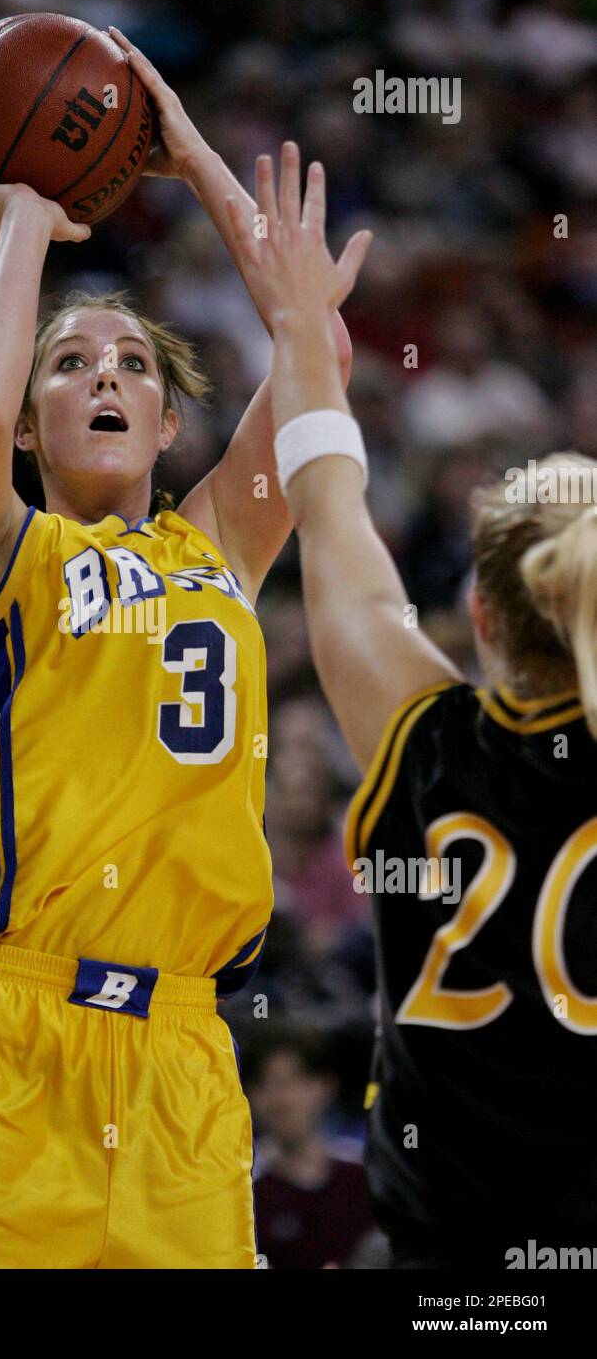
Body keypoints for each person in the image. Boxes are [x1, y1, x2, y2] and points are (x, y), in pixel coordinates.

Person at [0, 32, 352, 1271]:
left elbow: (313, 347)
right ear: (29, 424)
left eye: (128, 366)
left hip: (183, 1042)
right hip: (1, 1024)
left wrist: (191, 158)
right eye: (68, 365)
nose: (101, 375)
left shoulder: (217, 542)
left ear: (172, 425)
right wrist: (26, 217)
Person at [225, 139, 597, 1268]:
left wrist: (298, 328)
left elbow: (330, 506)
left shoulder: (420, 737)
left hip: (440, 1260)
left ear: (478, 618)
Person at [246, 1023, 376, 1270]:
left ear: (326, 1086)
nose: (283, 1100)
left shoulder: (367, 1176)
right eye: (267, 1084)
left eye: (294, 1080)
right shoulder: (242, 1192)